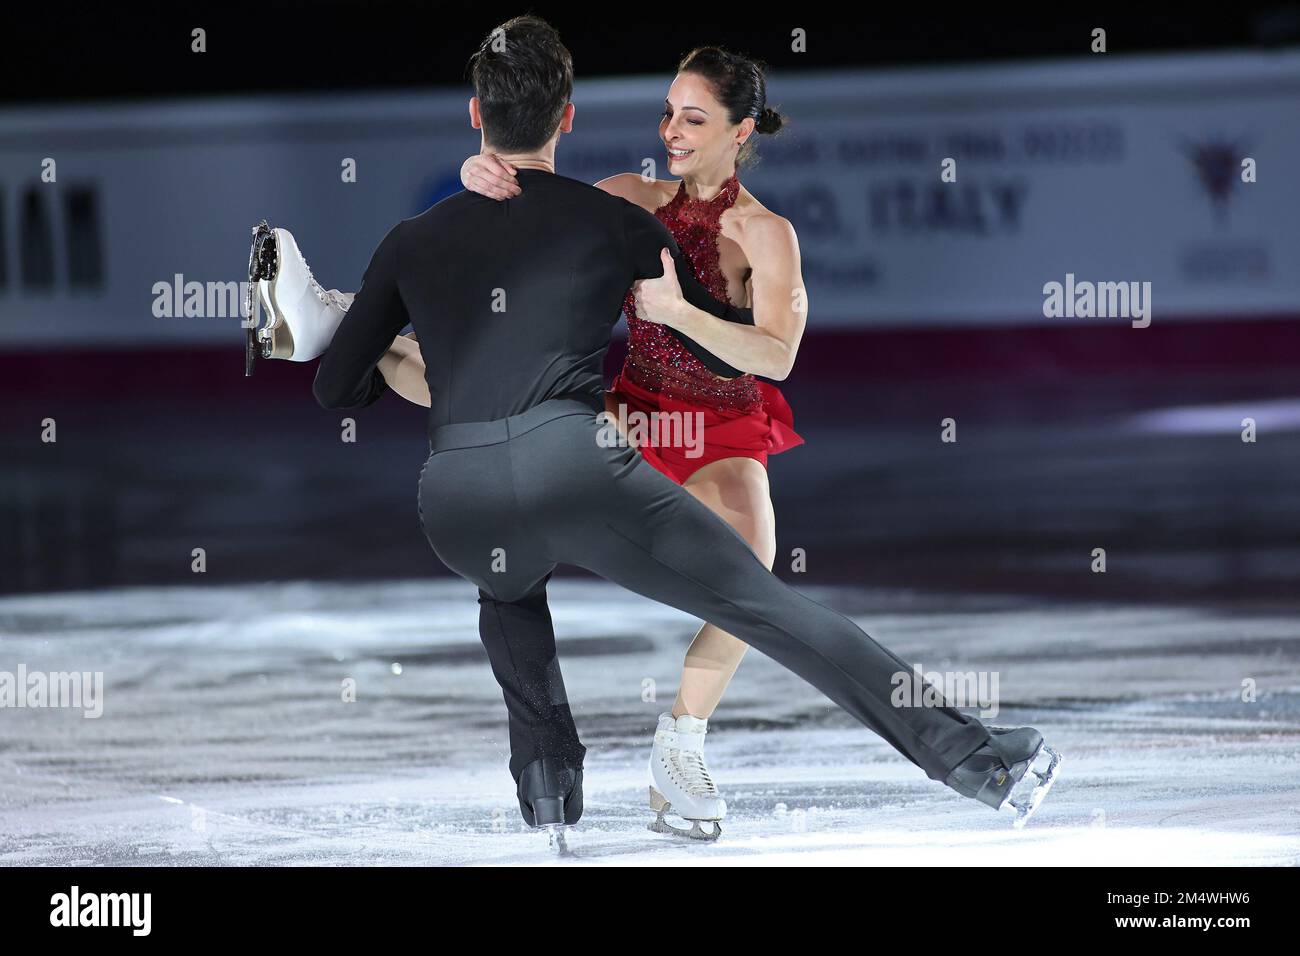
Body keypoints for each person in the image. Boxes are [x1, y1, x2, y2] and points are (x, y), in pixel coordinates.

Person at [259, 14, 1062, 837]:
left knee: (507, 586)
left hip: (463, 489)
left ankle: (553, 786)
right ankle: (978, 760)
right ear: (568, 114)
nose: (671, 130)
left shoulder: (423, 236)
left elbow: (771, 352)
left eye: (693, 116)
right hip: (585, 448)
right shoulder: (623, 216)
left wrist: (478, 188)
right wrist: (492, 175)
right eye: (668, 113)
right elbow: (539, 234)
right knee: (770, 609)